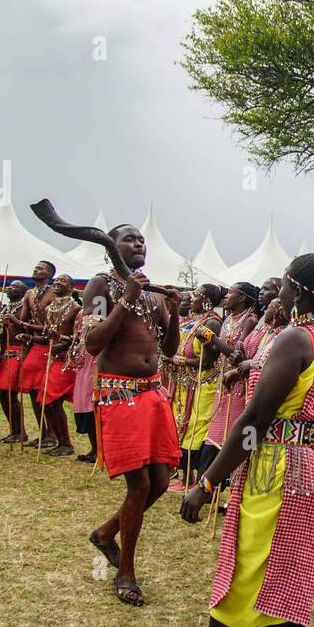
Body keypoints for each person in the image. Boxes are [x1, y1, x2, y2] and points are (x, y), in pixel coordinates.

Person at [182, 253, 314, 627]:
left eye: (284, 284)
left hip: (277, 473)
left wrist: (207, 482)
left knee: (247, 587)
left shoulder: (296, 338)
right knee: (290, 591)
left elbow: (254, 418)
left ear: (295, 289)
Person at [84, 226, 183, 606]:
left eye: (142, 239)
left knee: (159, 481)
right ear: (113, 247)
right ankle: (126, 572)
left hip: (153, 394)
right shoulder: (101, 286)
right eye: (129, 239)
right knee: (138, 485)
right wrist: (125, 299)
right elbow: (93, 344)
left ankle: (107, 532)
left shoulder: (153, 293)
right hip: (119, 394)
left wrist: (172, 312)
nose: (139, 243)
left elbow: (170, 349)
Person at [202, 283, 262, 475]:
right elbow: (216, 352)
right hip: (224, 381)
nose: (226, 296)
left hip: (239, 384)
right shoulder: (228, 319)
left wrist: (212, 337)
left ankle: (224, 479)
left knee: (230, 432)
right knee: (215, 433)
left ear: (242, 298)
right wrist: (206, 343)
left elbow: (237, 355)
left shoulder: (250, 320)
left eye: (230, 293)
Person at [176, 284, 224, 483]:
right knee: (184, 424)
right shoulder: (196, 321)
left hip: (205, 384)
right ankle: (184, 477)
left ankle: (191, 478)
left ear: (204, 299)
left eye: (195, 295)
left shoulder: (212, 323)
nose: (191, 299)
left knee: (197, 427)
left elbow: (209, 360)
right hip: (190, 382)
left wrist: (179, 361)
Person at [38, 274, 81, 456]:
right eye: (56, 281)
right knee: (46, 403)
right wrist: (30, 337)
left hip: (66, 361)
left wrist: (60, 341)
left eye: (62, 281)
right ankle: (59, 441)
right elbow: (47, 334)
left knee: (53, 401)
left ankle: (67, 444)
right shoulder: (49, 308)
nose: (57, 283)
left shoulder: (76, 309)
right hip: (52, 359)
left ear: (71, 288)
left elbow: (79, 338)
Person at [17, 260, 57, 447]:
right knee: (33, 391)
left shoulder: (54, 293)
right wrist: (12, 322)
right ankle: (43, 432)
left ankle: (53, 434)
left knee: (45, 392)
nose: (36, 269)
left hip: (50, 347)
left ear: (49, 274)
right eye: (35, 267)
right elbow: (22, 320)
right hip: (33, 347)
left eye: (41, 268)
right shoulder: (29, 293)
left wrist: (25, 326)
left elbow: (52, 327)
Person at [0, 280, 30, 443]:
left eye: (15, 287)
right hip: (6, 353)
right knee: (3, 394)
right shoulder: (6, 308)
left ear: (23, 292)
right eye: (9, 286)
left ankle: (20, 431)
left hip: (18, 352)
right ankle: (14, 430)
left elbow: (26, 329)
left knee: (10, 393)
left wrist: (14, 322)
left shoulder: (24, 308)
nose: (10, 288)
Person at [69, 306, 98, 463]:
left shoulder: (107, 311)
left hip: (97, 364)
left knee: (94, 407)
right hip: (83, 364)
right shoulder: (82, 313)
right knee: (84, 406)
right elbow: (76, 337)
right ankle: (94, 449)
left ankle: (100, 450)